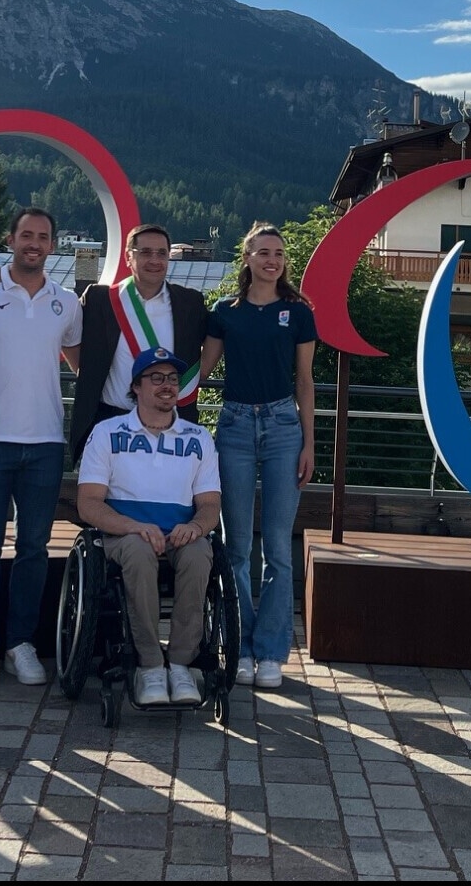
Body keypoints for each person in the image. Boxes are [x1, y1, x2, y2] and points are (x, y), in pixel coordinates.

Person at [0, 207, 82, 688]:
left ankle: (20, 644)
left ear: (53, 244)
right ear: (10, 239)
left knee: (33, 548)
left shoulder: (67, 302)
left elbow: (82, 363)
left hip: (47, 442)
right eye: (26, 234)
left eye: (43, 236)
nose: (34, 242)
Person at [198, 223, 316, 690]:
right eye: (263, 252)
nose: (273, 260)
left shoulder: (298, 312)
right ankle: (240, 646)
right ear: (246, 258)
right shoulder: (224, 312)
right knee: (237, 547)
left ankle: (271, 653)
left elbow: (304, 381)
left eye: (279, 253)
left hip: (285, 428)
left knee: (278, 550)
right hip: (234, 427)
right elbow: (201, 371)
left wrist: (309, 442)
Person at [76, 347, 223, 707]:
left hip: (178, 533)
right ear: (136, 387)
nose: (166, 385)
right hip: (122, 534)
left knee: (200, 552)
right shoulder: (107, 433)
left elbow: (210, 506)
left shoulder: (199, 438)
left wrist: (197, 527)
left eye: (172, 378)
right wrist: (133, 526)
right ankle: (150, 664)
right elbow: (89, 503)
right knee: (139, 553)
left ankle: (181, 663)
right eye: (156, 378)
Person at [72, 224, 209, 454]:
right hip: (110, 422)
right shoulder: (99, 300)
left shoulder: (190, 303)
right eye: (145, 252)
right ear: (128, 257)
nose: (154, 260)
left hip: (170, 425)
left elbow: (223, 335)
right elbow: (65, 335)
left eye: (161, 253)